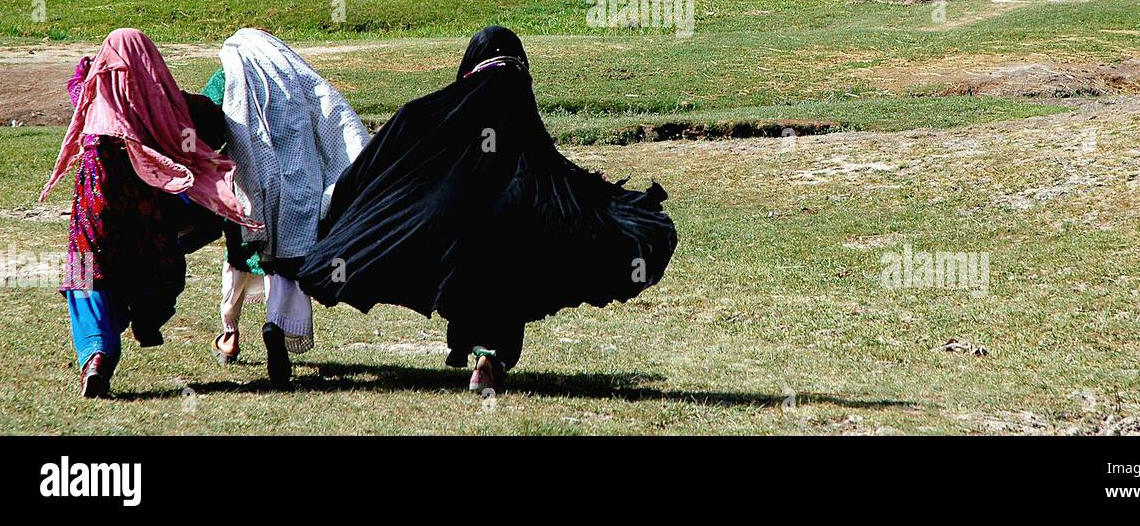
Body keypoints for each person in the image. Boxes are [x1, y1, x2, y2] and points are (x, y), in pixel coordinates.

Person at [298, 26, 677, 392]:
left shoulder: (429, 115)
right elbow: (559, 174)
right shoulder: (522, 118)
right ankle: (490, 356)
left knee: (469, 260)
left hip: (448, 227)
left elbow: (378, 160)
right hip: (521, 223)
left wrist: (337, 211)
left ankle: (481, 352)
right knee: (510, 268)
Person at [41, 29, 256, 398]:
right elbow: (207, 120)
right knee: (153, 264)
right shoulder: (166, 105)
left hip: (91, 218)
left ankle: (95, 357)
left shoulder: (92, 97)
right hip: (147, 214)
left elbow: (75, 84)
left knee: (85, 278)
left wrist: (85, 71)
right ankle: (145, 316)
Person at [204, 29, 370, 388]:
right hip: (299, 186)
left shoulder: (228, 77)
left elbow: (207, 119)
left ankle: (229, 333)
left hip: (252, 187)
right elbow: (331, 113)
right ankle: (275, 325)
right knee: (285, 265)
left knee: (240, 262)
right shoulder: (296, 77)